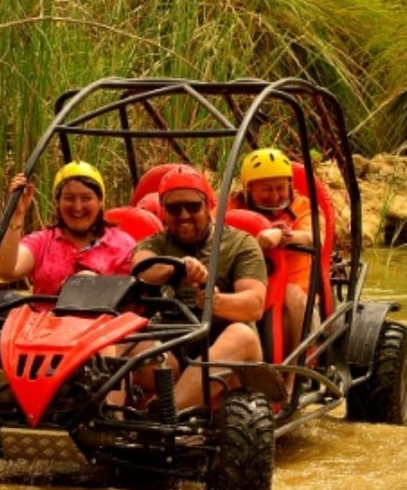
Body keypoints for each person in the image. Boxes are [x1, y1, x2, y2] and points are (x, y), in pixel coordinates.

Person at [131, 164, 267, 411]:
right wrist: (178, 268)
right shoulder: (155, 243)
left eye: (193, 206)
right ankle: (104, 420)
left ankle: (163, 414)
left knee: (241, 335)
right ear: (163, 212)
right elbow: (142, 270)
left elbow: (254, 305)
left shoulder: (240, 244)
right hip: (172, 347)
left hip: (227, 348)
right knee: (123, 339)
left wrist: (215, 302)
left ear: (208, 207)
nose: (183, 215)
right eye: (173, 208)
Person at [230, 147, 320, 363]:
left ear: (290, 185)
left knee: (291, 296)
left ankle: (297, 374)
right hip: (246, 279)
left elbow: (315, 238)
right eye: (266, 190)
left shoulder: (303, 206)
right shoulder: (233, 205)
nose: (275, 196)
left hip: (296, 286)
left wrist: (282, 235)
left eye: (281, 188)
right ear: (249, 189)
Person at [0, 160, 136, 293]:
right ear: (58, 203)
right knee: (3, 300)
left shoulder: (123, 245)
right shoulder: (42, 242)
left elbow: (132, 301)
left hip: (105, 320)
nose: (77, 207)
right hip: (47, 319)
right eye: (69, 198)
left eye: (86, 198)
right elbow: (3, 271)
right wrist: (17, 214)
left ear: (100, 202)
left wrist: (89, 285)